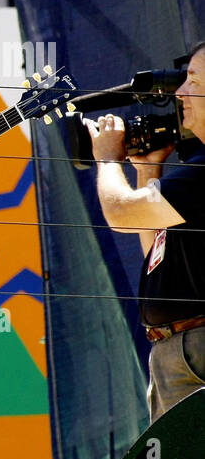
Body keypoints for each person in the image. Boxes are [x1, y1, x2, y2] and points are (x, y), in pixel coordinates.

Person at [87, 41, 205, 421]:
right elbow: (157, 253)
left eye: (193, 80)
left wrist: (107, 158)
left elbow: (121, 213)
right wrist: (146, 170)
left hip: (195, 352)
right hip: (177, 352)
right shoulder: (195, 171)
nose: (181, 93)